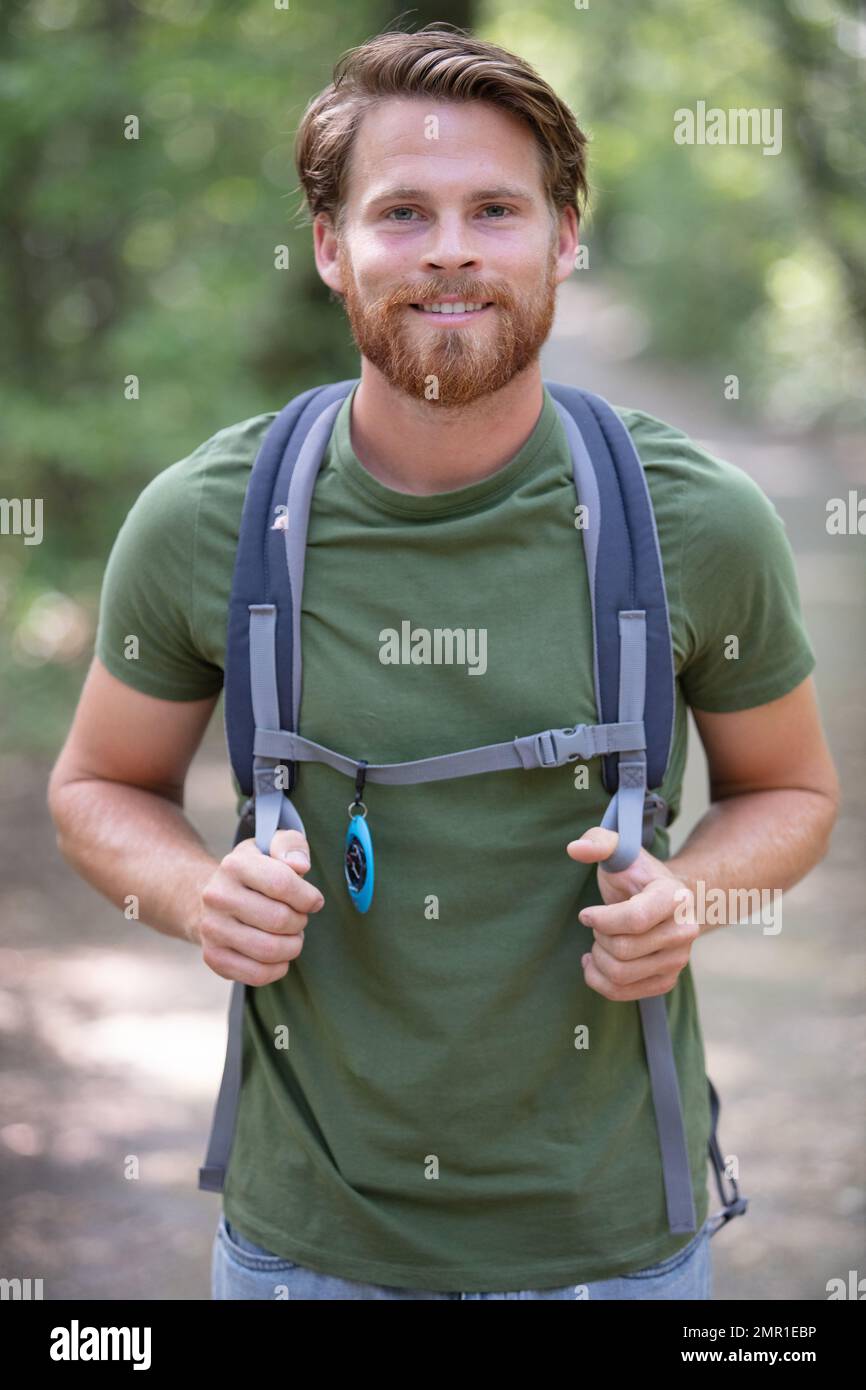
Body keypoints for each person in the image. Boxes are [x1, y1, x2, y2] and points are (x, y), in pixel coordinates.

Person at [47, 25, 839, 1301]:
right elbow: (96, 788)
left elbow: (791, 795)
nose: (452, 247)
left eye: (495, 209)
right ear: (327, 247)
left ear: (564, 237)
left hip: (617, 1249)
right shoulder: (210, 518)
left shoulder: (694, 521)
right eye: (402, 211)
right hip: (303, 1250)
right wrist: (198, 895)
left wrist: (693, 894)